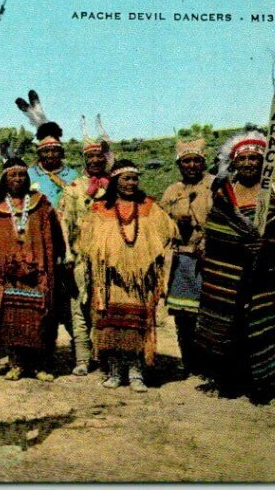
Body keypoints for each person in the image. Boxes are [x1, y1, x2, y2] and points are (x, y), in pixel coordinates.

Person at [196, 131, 275, 405]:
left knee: (263, 323)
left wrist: (270, 243)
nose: (250, 164)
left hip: (264, 271)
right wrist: (235, 246)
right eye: (244, 159)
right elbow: (215, 231)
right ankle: (232, 379)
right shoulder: (224, 191)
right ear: (235, 162)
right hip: (229, 272)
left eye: (255, 158)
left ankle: (265, 382)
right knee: (231, 323)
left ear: (264, 161)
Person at [79, 159, 177, 392]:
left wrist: (146, 262)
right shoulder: (100, 209)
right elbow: (87, 240)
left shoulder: (149, 207)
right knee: (110, 325)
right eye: (126, 179)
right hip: (110, 280)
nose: (131, 183)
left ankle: (135, 372)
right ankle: (114, 371)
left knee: (136, 325)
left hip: (140, 280)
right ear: (114, 181)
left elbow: (166, 235)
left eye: (134, 178)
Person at [0, 158, 65, 381]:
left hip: (37, 271)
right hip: (7, 273)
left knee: (39, 315)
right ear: (5, 179)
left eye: (22, 175)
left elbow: (55, 234)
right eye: (13, 175)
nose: (18, 179)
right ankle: (16, 363)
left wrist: (56, 257)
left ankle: (40, 365)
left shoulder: (41, 203)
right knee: (10, 317)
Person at [58, 132, 115, 375]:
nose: (95, 160)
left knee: (107, 307)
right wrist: (68, 254)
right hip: (81, 257)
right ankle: (82, 358)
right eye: (90, 156)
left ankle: (105, 355)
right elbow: (64, 222)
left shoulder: (117, 185)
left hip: (111, 257)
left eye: (99, 156)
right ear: (84, 160)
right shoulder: (74, 189)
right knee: (78, 307)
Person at [160, 138, 213, 376]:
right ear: (179, 165)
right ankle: (189, 361)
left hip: (210, 259)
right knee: (184, 316)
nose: (191, 165)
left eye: (195, 161)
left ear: (203, 162)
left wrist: (208, 237)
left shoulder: (217, 186)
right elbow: (159, 225)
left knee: (209, 313)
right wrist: (174, 224)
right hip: (181, 260)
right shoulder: (172, 191)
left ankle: (209, 362)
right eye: (186, 161)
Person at [27, 122, 79, 209]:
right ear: (39, 153)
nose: (50, 155)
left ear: (61, 153)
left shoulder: (73, 175)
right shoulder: (29, 175)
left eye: (55, 151)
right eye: (46, 151)